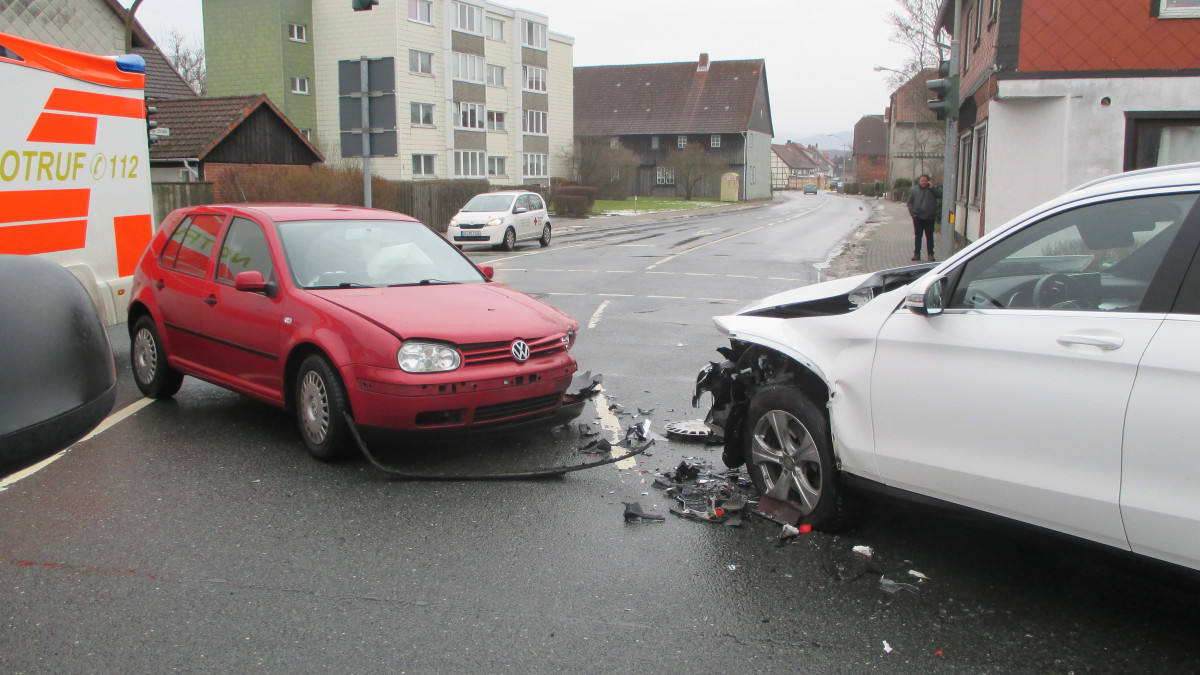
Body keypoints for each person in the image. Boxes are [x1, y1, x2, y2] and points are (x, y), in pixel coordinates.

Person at [907, 174, 942, 262]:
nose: (923, 182)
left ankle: (930, 254)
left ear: (928, 181)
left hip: (930, 217)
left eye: (925, 181)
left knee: (929, 236)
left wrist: (932, 187)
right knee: (918, 236)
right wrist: (912, 213)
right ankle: (917, 254)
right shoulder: (915, 190)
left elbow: (941, 195)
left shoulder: (932, 190)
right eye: (921, 181)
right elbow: (909, 202)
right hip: (918, 217)